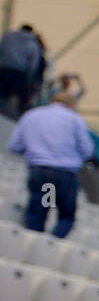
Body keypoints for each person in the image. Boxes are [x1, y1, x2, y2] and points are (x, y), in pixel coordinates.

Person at [6, 79, 94, 237]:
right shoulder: (74, 120)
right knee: (66, 216)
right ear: (71, 104)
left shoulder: (32, 115)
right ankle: (51, 243)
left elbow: (14, 145)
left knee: (40, 210)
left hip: (39, 171)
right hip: (63, 174)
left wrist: (34, 153)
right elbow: (87, 149)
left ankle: (34, 241)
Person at [0, 24, 43, 118]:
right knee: (15, 94)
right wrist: (30, 77)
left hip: (4, 68)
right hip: (19, 72)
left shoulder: (7, 37)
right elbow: (33, 63)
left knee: (2, 92)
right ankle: (9, 114)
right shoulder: (32, 43)